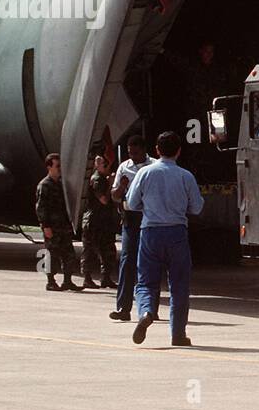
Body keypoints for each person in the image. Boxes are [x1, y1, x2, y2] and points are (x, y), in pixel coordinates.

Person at [126, 131, 204, 347]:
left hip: (150, 231)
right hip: (177, 232)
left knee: (146, 282)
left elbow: (132, 203)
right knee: (179, 284)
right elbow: (196, 207)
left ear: (157, 150)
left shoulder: (145, 173)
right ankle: (178, 334)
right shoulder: (185, 176)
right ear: (179, 151)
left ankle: (146, 312)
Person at [109, 135, 157, 322]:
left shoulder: (153, 165)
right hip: (130, 217)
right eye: (130, 153)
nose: (133, 156)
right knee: (127, 260)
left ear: (144, 150)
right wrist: (121, 187)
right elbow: (113, 195)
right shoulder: (124, 167)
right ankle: (123, 307)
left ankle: (150, 307)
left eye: (136, 153)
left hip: (149, 217)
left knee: (150, 262)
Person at [35, 153, 84, 292]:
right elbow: (41, 207)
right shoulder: (44, 185)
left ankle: (67, 281)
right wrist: (45, 226)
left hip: (64, 226)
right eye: (57, 166)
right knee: (51, 254)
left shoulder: (62, 184)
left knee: (69, 254)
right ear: (49, 167)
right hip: (52, 226)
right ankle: (50, 281)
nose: (60, 168)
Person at [81, 153, 119, 289]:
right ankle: (87, 277)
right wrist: (110, 185)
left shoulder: (103, 178)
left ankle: (106, 278)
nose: (108, 167)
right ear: (98, 165)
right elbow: (103, 200)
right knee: (89, 251)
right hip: (94, 221)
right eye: (105, 164)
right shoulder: (97, 180)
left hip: (104, 221)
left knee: (108, 250)